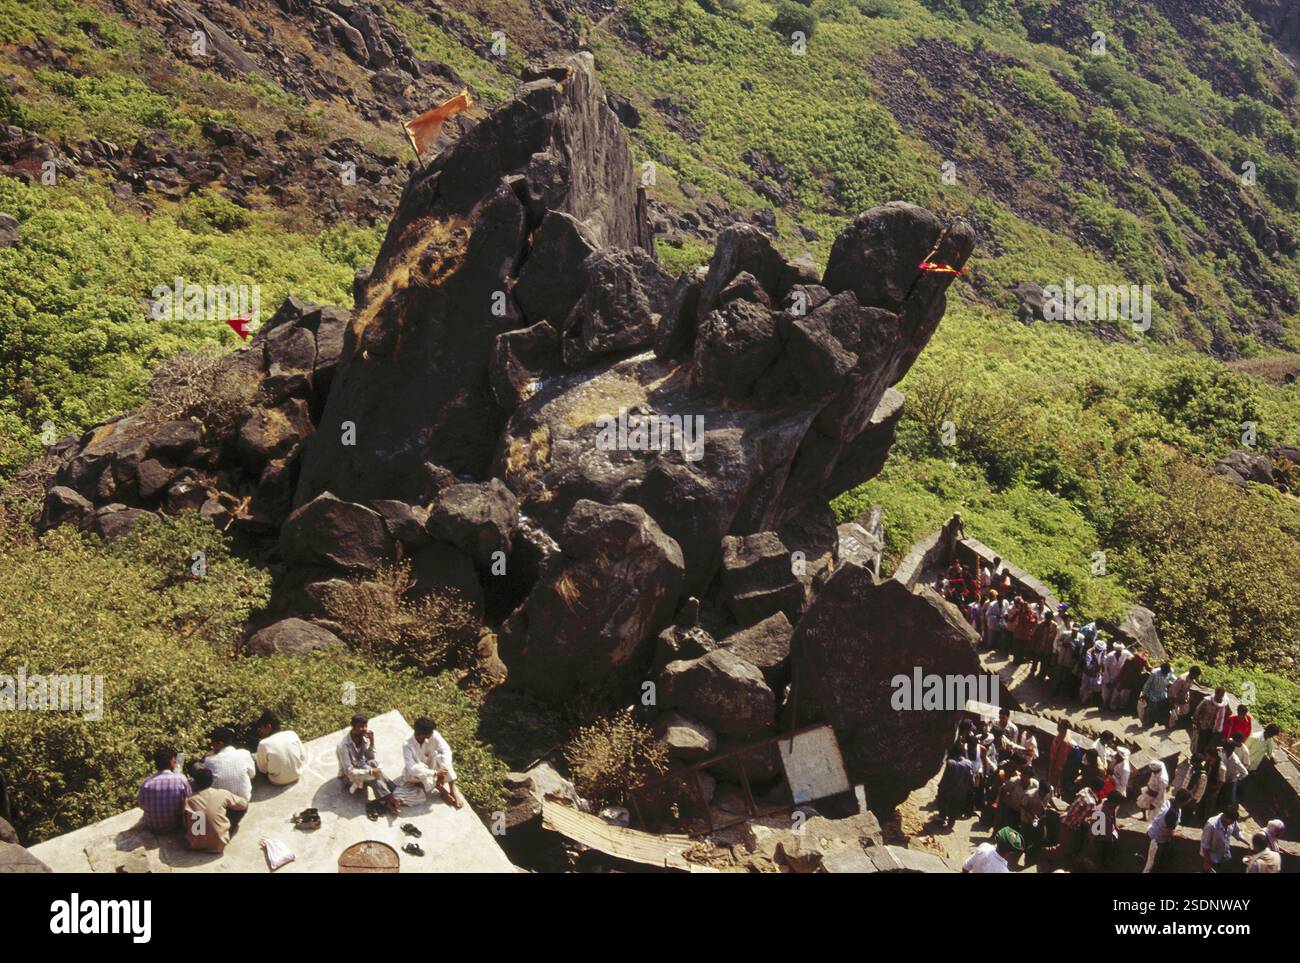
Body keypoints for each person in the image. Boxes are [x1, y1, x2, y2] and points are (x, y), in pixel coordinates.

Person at [338, 713, 402, 814]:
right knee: (374, 778)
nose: (364, 729)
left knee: (375, 767)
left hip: (363, 766)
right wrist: (370, 772)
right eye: (360, 726)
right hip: (350, 777)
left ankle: (390, 797)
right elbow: (349, 772)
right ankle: (391, 799)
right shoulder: (343, 746)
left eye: (365, 726)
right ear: (353, 727)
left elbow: (370, 757)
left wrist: (372, 742)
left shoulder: (364, 737)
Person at [403, 716, 464, 809]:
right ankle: (440, 789)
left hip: (431, 764)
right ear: (423, 734)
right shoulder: (407, 744)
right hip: (418, 771)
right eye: (430, 733)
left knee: (441, 758)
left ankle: (452, 789)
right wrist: (435, 773)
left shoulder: (433, 735)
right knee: (418, 775)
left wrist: (443, 771)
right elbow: (412, 768)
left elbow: (446, 750)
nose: (432, 734)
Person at [183, 766, 247, 854]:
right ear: (212, 781)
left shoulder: (189, 799)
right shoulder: (223, 793)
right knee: (238, 807)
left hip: (194, 844)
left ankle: (202, 835)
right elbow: (243, 805)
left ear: (196, 783)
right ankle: (225, 830)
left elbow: (184, 823)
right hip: (218, 845)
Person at [202, 726, 255, 824]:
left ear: (220, 743)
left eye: (213, 743)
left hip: (223, 807)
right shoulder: (244, 753)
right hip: (244, 801)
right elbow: (252, 775)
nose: (212, 746)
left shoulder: (210, 760)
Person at [136, 747, 192, 833]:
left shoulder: (146, 782)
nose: (175, 762)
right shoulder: (181, 779)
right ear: (170, 761)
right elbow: (190, 800)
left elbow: (141, 805)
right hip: (175, 825)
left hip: (152, 825)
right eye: (174, 760)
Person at [1143, 789, 1192, 873]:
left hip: (1153, 833)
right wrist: (1177, 834)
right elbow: (1166, 833)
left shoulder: (1172, 802)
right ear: (1184, 802)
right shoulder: (1172, 814)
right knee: (1153, 866)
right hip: (1156, 840)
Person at [253, 711, 306, 786]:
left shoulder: (263, 743)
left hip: (278, 781)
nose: (260, 731)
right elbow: (303, 756)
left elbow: (262, 769)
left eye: (261, 728)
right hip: (297, 774)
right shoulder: (291, 733)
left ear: (268, 727)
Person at [936, 745, 977, 828]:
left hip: (949, 788)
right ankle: (951, 822)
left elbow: (946, 777)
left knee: (943, 801)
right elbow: (971, 778)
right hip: (962, 790)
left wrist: (940, 786)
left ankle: (942, 818)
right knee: (955, 806)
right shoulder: (968, 763)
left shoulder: (951, 762)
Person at [1201, 806, 1245, 873]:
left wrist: (1248, 843)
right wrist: (1206, 862)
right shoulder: (1211, 825)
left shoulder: (1232, 821)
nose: (1232, 823)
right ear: (1225, 817)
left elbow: (1237, 833)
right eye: (1231, 821)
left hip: (1224, 856)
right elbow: (1205, 845)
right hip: (1212, 858)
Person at [1193, 687, 1230, 754]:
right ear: (1216, 693)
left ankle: (1203, 755)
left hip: (1214, 728)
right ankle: (1197, 756)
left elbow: (1225, 715)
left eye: (1222, 694)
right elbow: (1197, 711)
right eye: (1219, 694)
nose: (1221, 696)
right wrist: (1197, 722)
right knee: (1200, 742)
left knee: (1208, 743)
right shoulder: (1207, 701)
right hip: (1204, 725)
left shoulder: (1224, 703)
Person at [1219, 734, 1250, 809]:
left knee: (1231, 796)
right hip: (1222, 776)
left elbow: (1245, 772)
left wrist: (1236, 778)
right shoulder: (1225, 752)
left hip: (1230, 779)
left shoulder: (1235, 760)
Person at [1141, 663, 1173, 728]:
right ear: (1162, 670)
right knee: (1153, 707)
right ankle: (1150, 721)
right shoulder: (1154, 673)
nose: (1166, 674)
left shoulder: (1170, 672)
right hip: (1153, 693)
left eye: (1167, 672)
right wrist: (1144, 694)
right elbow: (1147, 684)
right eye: (1165, 672)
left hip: (1163, 693)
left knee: (1166, 705)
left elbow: (1173, 678)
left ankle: (1160, 719)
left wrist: (1172, 683)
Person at [1047, 719, 1074, 794]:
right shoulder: (1061, 734)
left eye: (1060, 726)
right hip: (1053, 760)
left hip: (1056, 765)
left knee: (1052, 782)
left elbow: (1061, 759)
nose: (1057, 727)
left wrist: (1054, 768)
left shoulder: (1065, 742)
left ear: (1064, 728)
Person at [1101, 643, 1130, 710]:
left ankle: (1113, 706)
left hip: (1119, 678)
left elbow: (1132, 657)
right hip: (1109, 676)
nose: (1119, 653)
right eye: (1117, 651)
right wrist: (1107, 681)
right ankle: (1104, 704)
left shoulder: (1126, 653)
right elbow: (1105, 669)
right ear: (1115, 651)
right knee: (1106, 693)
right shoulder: (1110, 656)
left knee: (1117, 693)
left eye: (1120, 651)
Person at [1080, 638, 1107, 705]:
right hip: (1088, 673)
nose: (1099, 651)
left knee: (1094, 688)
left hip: (1096, 674)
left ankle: (1089, 701)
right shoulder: (1089, 652)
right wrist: (1095, 662)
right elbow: (1088, 665)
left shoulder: (1103, 653)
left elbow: (1103, 663)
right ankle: (1082, 700)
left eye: (1100, 650)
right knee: (1084, 687)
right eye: (1098, 649)